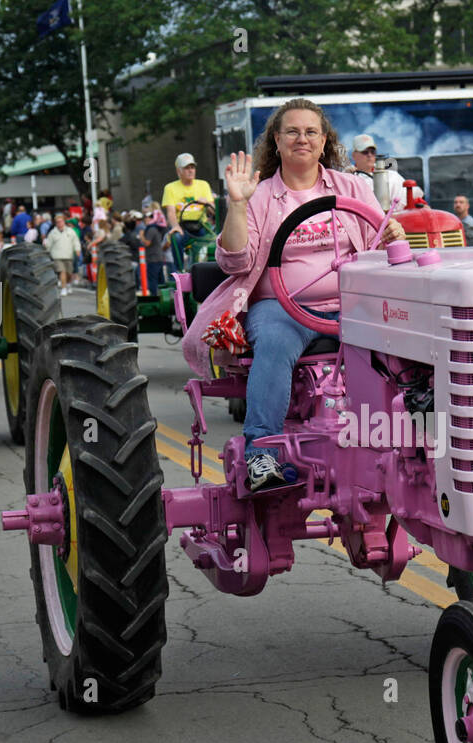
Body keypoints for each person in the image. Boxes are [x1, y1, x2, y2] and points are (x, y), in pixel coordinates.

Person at [182, 98, 405, 491]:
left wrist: (394, 236)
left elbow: (378, 245)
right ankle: (262, 455)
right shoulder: (260, 195)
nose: (302, 139)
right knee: (272, 339)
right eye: (292, 132)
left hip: (351, 308)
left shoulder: (353, 187)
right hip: (282, 308)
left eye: (311, 132)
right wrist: (237, 205)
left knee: (407, 341)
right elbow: (235, 263)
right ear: (277, 142)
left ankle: (405, 443)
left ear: (324, 143)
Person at [162, 153, 217, 270]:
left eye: (192, 167)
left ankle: (211, 268)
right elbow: (171, 212)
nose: (190, 171)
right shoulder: (170, 188)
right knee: (175, 238)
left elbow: (213, 211)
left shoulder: (203, 185)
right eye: (186, 168)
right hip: (182, 226)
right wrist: (175, 226)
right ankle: (181, 271)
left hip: (201, 225)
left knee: (215, 240)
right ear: (179, 171)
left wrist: (207, 203)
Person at [350, 134, 405, 208]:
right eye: (365, 152)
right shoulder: (346, 178)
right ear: (354, 155)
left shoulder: (392, 176)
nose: (369, 155)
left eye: (372, 152)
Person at [44, 213, 82, 296]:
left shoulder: (70, 231)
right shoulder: (52, 233)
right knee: (62, 271)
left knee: (69, 273)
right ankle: (64, 288)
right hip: (57, 256)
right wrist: (47, 252)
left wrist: (77, 250)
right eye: (57, 222)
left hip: (68, 255)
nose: (59, 224)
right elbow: (49, 244)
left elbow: (76, 241)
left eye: (61, 222)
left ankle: (68, 284)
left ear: (64, 222)